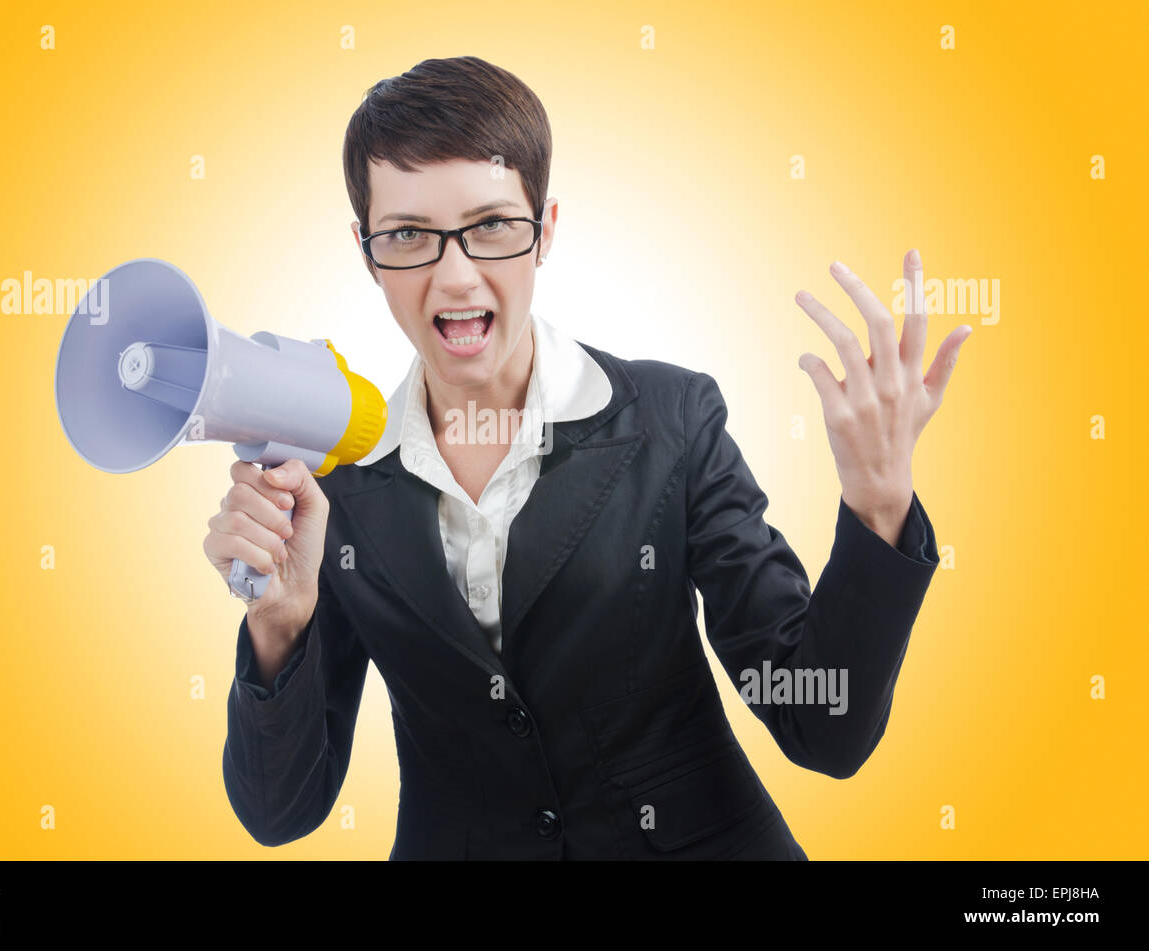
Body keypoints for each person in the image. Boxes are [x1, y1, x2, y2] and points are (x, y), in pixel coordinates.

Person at [205, 56, 970, 860]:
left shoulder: (672, 422)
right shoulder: (335, 490)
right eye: (408, 236)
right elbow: (279, 814)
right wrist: (278, 627)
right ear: (366, 250)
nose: (455, 275)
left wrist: (879, 505)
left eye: (493, 225)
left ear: (547, 231)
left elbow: (824, 729)